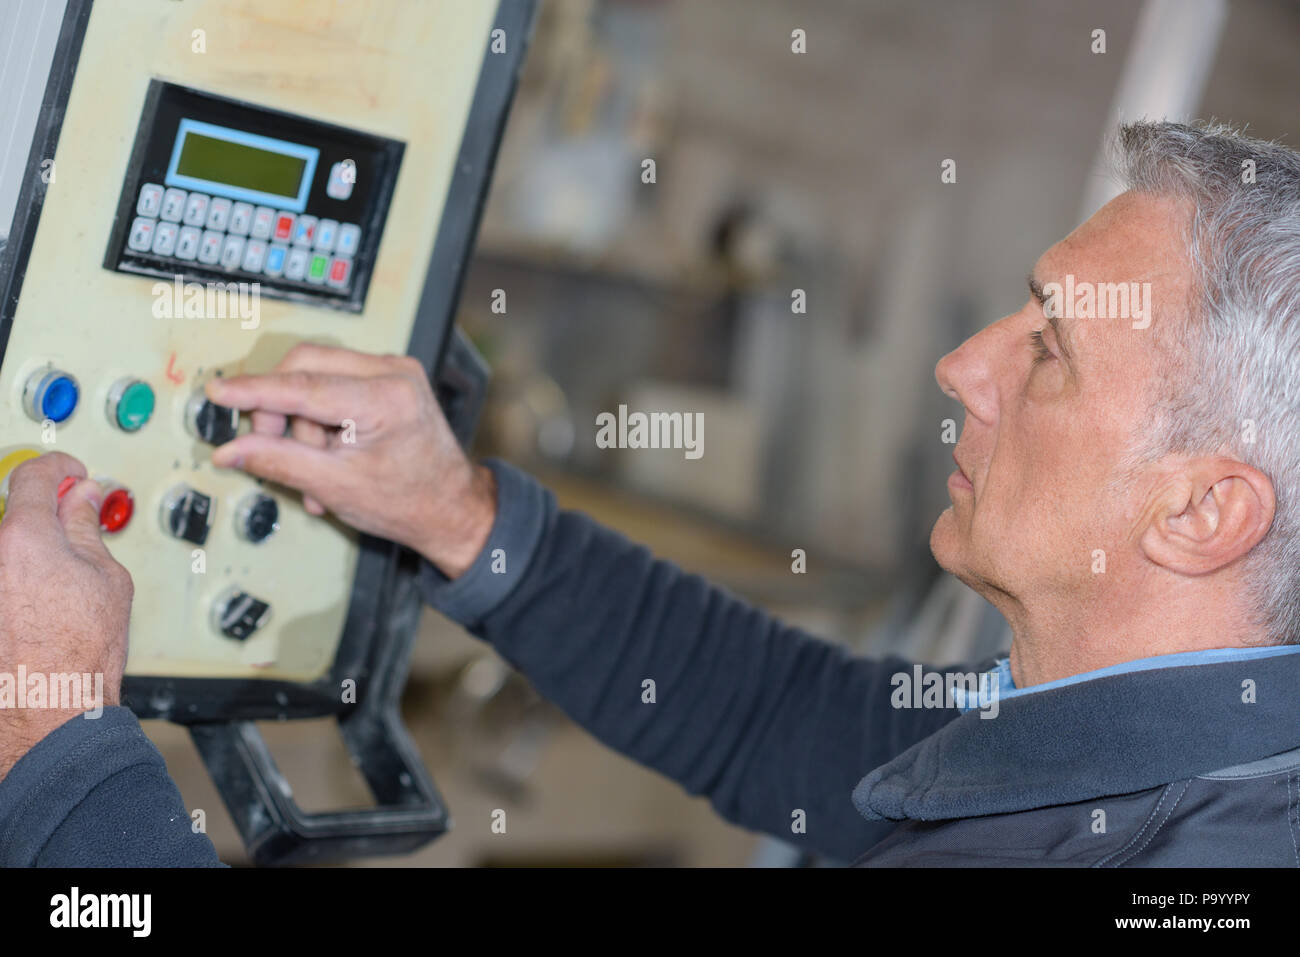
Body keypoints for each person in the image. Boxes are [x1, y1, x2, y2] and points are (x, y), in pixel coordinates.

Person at [2, 120, 1298, 866]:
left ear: (1199, 512)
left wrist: (56, 753)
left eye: (1050, 347)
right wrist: (462, 515)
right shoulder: (1134, 746)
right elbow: (785, 723)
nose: (963, 366)